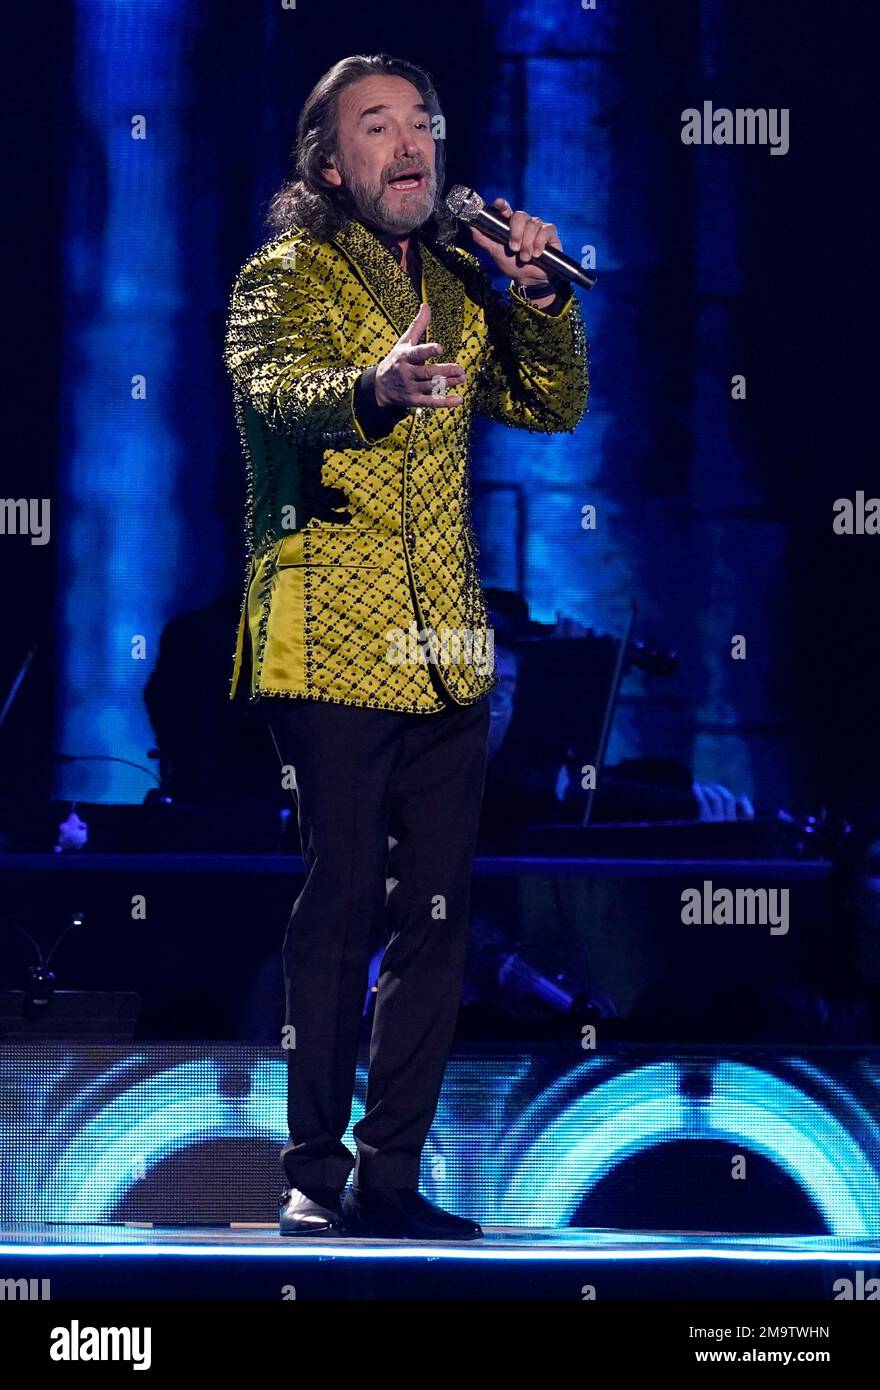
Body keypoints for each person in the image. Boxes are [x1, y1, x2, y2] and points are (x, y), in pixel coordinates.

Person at [224, 52, 589, 1238]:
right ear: (332, 164)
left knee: (437, 917)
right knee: (341, 903)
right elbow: (272, 389)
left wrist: (536, 295)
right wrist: (371, 388)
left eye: (419, 120)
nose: (407, 140)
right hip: (329, 628)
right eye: (374, 125)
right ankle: (311, 1176)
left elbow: (550, 406)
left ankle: (391, 1181)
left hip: (443, 641)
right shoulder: (286, 271)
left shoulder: (456, 272)